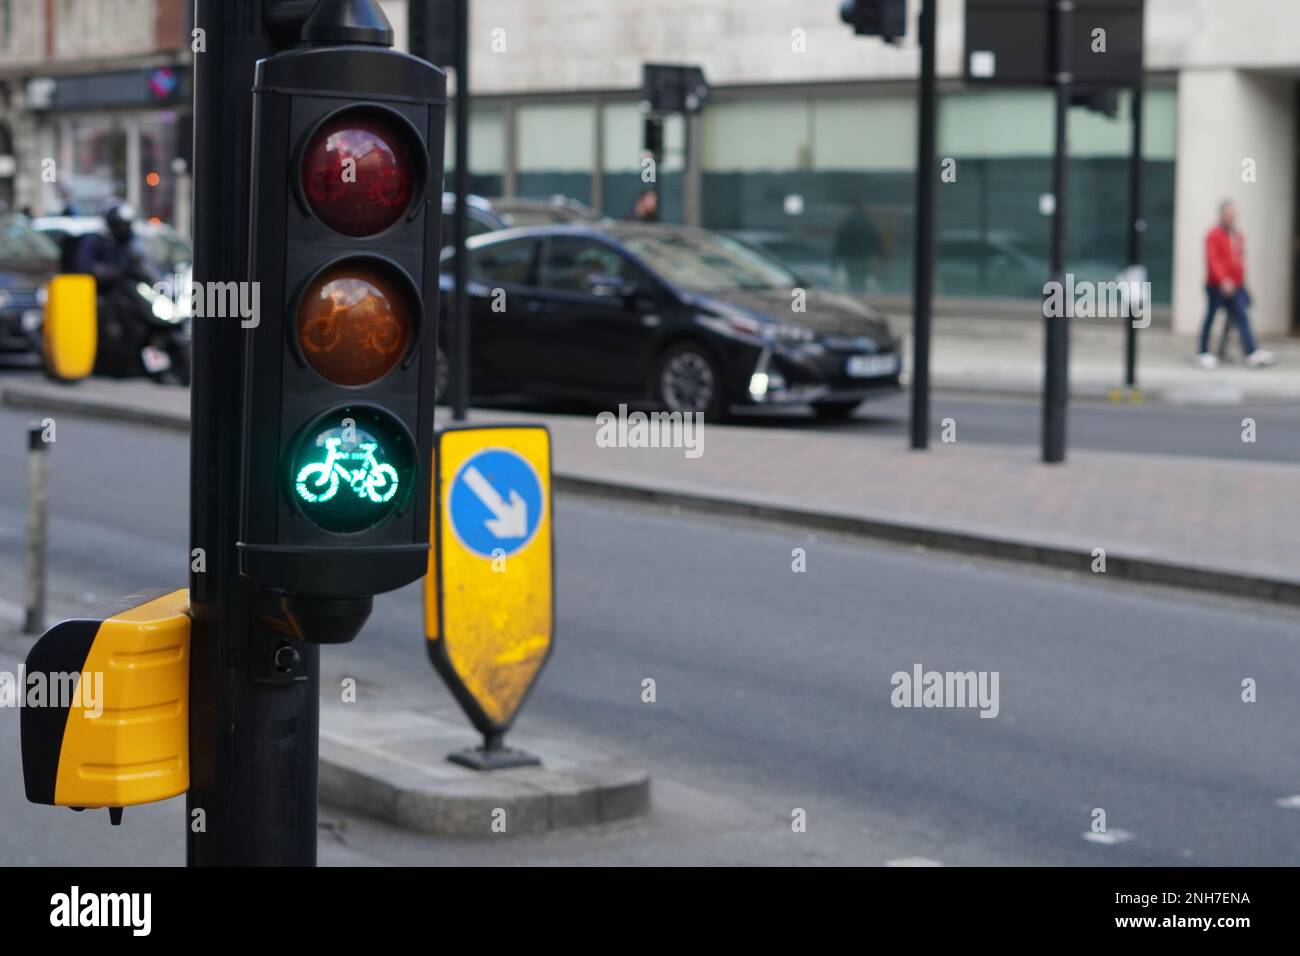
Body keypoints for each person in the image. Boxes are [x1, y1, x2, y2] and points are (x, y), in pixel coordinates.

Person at [1196, 200, 1273, 369]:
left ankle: (1251, 352)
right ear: (1221, 215)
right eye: (1228, 215)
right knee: (1211, 316)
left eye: (1233, 215)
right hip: (1217, 285)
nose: (1231, 218)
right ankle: (1203, 352)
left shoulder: (1237, 235)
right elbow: (1213, 259)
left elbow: (1239, 260)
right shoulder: (1213, 234)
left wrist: (1240, 282)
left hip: (1236, 285)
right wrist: (1223, 279)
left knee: (1241, 315)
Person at [71, 201, 154, 288]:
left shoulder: (129, 243)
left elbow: (143, 268)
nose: (124, 230)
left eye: (126, 226)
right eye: (121, 226)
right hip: (102, 293)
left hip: (128, 290)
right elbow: (85, 267)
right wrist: (114, 271)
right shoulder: (95, 241)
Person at [832, 200, 882, 292]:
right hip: (864, 257)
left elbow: (839, 243)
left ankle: (855, 293)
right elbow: (875, 241)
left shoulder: (847, 223)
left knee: (852, 279)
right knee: (861, 279)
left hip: (851, 258)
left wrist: (835, 260)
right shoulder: (867, 223)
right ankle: (860, 293)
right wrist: (878, 255)